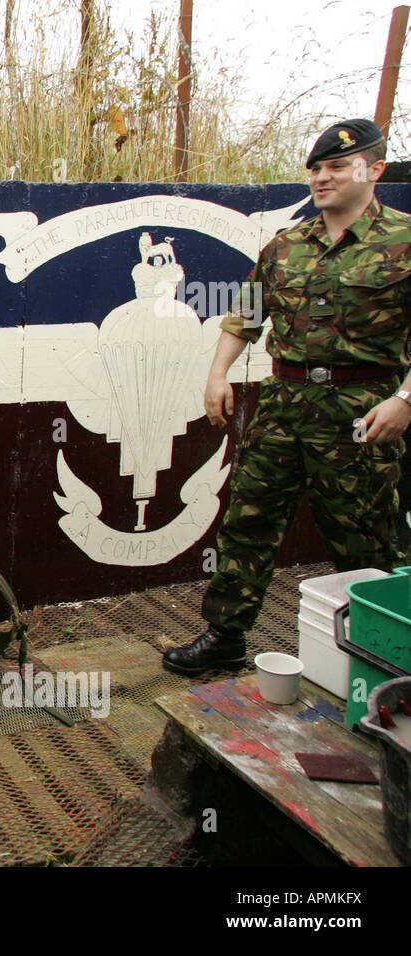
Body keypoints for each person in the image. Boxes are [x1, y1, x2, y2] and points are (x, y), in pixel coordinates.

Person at [164, 118, 411, 677]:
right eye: (315, 169)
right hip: (284, 402)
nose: (322, 178)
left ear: (374, 170)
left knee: (363, 539)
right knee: (249, 520)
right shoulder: (288, 245)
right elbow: (247, 315)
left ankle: (382, 653)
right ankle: (226, 635)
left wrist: (406, 400)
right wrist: (218, 373)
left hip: (361, 408)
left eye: (336, 167)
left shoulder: (403, 242)